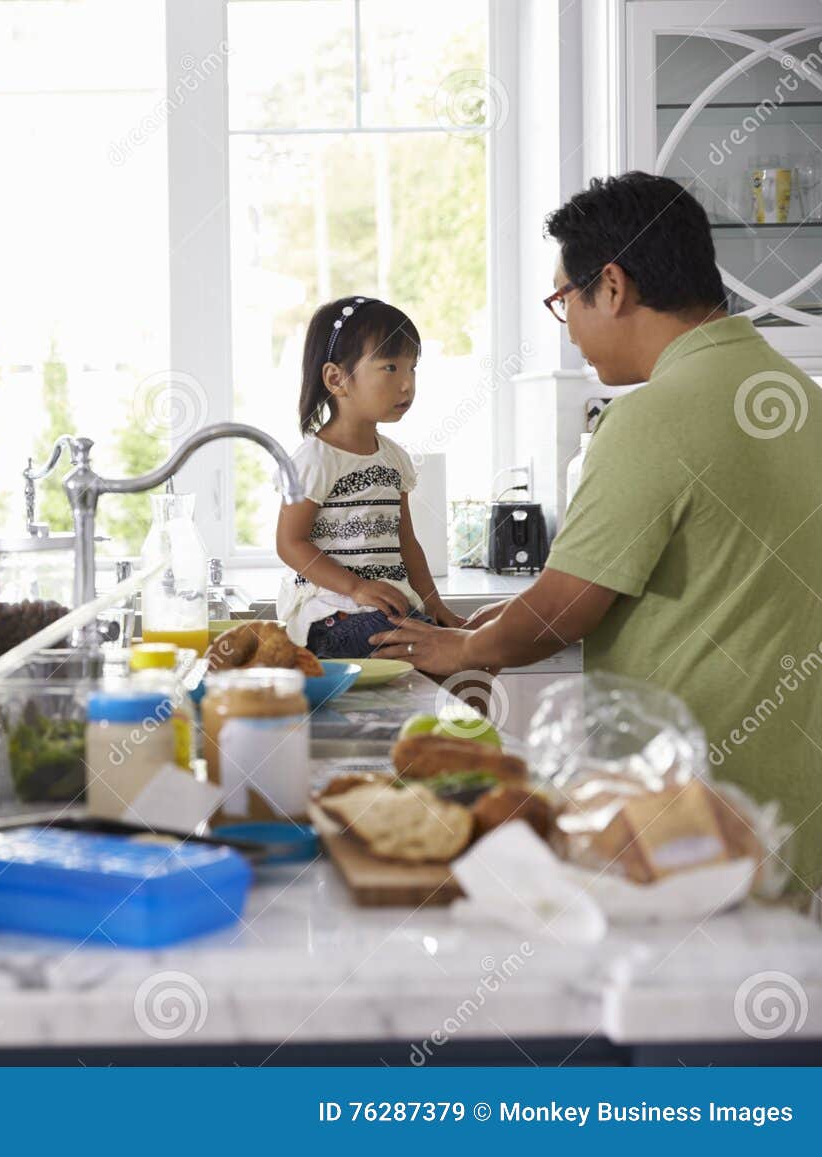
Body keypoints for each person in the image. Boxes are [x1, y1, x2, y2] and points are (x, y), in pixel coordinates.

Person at [371, 171, 822, 897]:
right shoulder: (800, 397)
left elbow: (562, 606)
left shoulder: (651, 417)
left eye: (562, 301)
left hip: (682, 818)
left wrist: (461, 646)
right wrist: (498, 620)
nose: (570, 329)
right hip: (790, 811)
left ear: (611, 285)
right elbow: (707, 585)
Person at [276, 295, 463, 657]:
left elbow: (406, 543)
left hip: (387, 611)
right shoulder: (315, 460)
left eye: (412, 369)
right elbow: (290, 543)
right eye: (391, 368)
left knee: (464, 655)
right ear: (337, 379)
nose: (407, 384)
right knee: (443, 655)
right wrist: (356, 587)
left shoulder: (394, 458)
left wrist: (434, 604)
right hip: (334, 614)